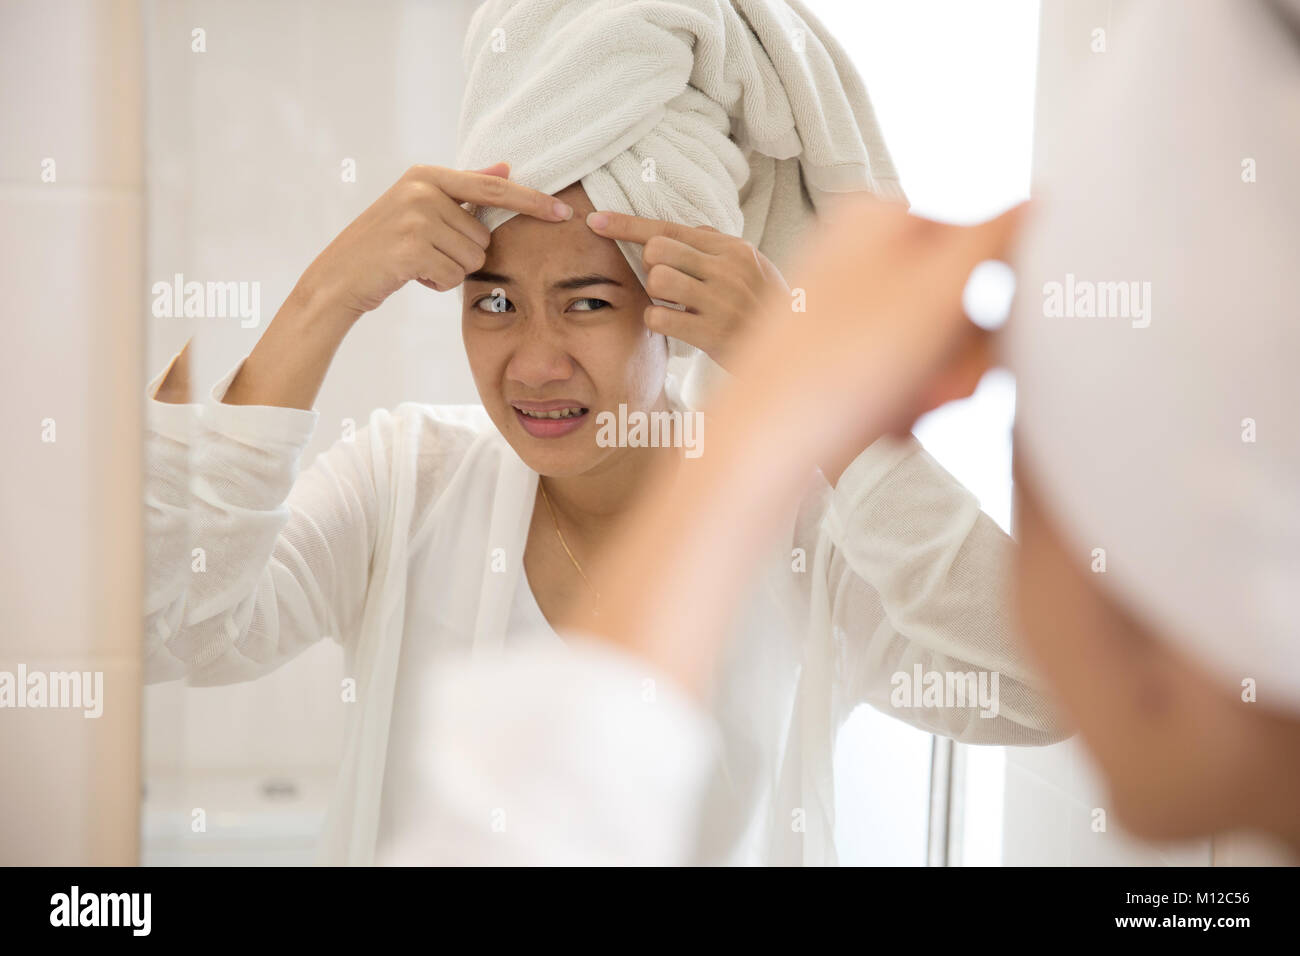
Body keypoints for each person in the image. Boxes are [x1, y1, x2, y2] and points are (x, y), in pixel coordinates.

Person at [145, 0, 1066, 867]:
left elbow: (1041, 684)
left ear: (683, 301)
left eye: (588, 300)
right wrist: (328, 291)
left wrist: (810, 392)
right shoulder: (407, 483)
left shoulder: (804, 532)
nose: (535, 363)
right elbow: (171, 629)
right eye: (495, 301)